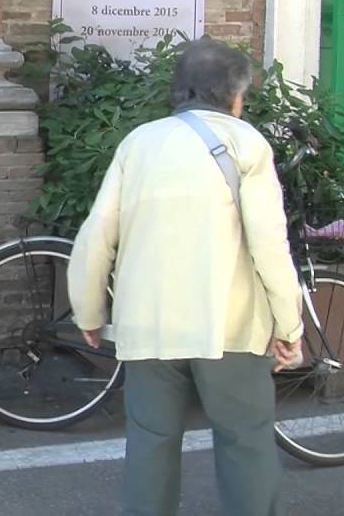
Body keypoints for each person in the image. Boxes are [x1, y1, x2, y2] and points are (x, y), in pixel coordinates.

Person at [66, 38, 304, 516]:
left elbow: (96, 236)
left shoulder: (138, 143)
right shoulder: (247, 144)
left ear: (179, 91)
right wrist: (288, 325)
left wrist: (88, 310)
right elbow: (269, 247)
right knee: (245, 444)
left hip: (148, 326)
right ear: (236, 97)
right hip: (230, 327)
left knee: (150, 446)